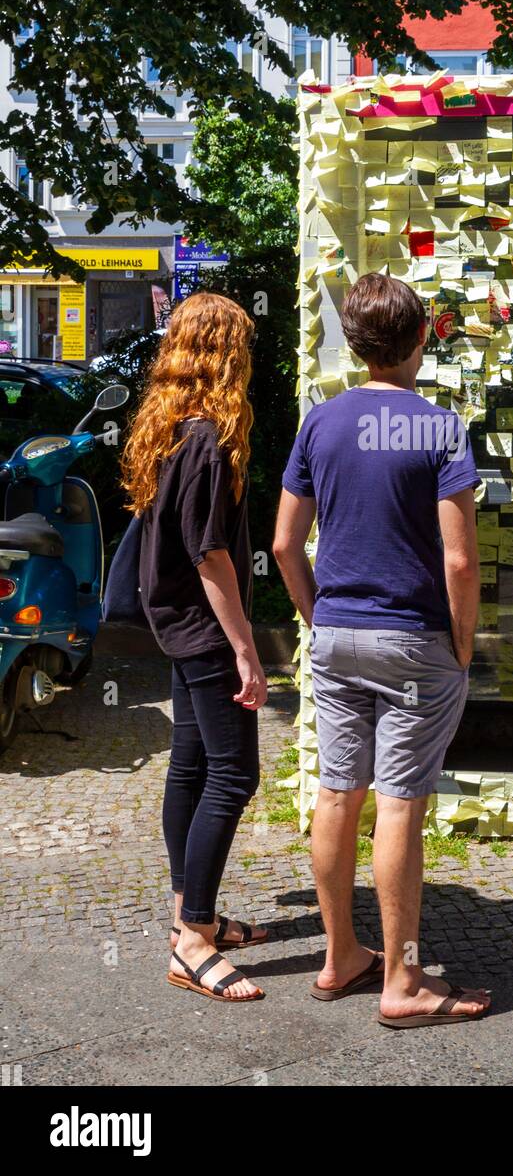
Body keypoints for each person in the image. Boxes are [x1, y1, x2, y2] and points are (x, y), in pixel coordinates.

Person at [274, 273, 490, 1027]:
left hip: (335, 634)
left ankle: (340, 958)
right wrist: (462, 645)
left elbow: (283, 544)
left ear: (356, 344)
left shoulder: (318, 424)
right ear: (422, 337)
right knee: (400, 803)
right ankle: (401, 982)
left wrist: (317, 618)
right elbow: (460, 561)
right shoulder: (437, 427)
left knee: (338, 792)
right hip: (413, 638)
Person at [122, 292, 268, 1003]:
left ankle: (190, 909)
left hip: (173, 620)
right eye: (241, 346)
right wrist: (244, 646)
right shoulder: (209, 439)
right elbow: (211, 553)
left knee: (191, 764)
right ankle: (194, 941)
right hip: (205, 627)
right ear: (224, 355)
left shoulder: (170, 425)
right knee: (236, 775)